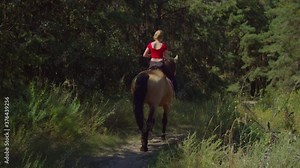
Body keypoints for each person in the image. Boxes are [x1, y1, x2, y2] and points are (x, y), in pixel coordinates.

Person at [142, 30, 178, 94]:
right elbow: (166, 57)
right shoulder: (163, 46)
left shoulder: (150, 44)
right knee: (172, 76)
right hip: (160, 64)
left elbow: (144, 55)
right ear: (162, 37)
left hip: (152, 64)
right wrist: (172, 59)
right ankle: (175, 92)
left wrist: (152, 55)